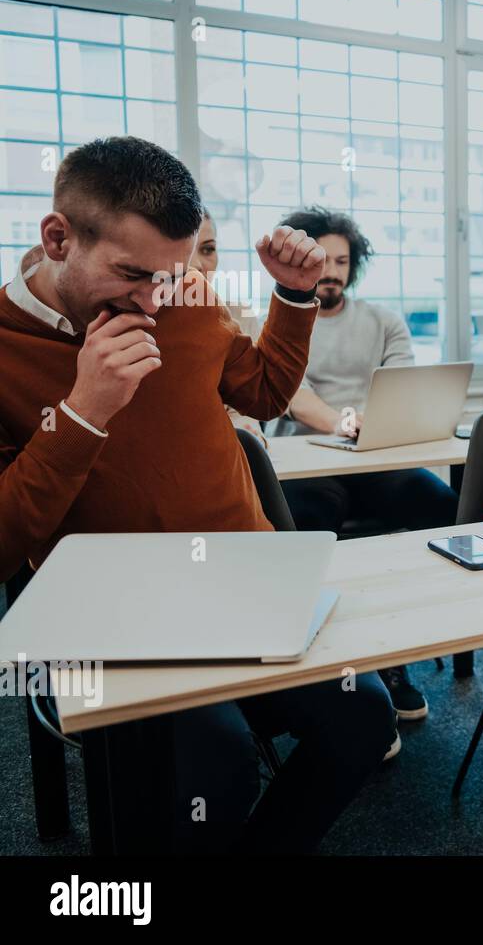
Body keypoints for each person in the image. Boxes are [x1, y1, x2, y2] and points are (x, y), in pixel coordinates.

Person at [0, 135, 395, 852]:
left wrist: (292, 294)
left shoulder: (182, 295)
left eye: (173, 275)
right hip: (109, 617)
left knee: (365, 713)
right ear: (58, 238)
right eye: (133, 274)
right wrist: (84, 411)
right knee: (216, 752)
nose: (158, 298)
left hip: (240, 582)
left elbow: (265, 388)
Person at [274, 205, 458, 722]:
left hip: (375, 459)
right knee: (306, 527)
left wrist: (371, 429)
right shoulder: (285, 320)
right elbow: (292, 392)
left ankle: (395, 652)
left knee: (445, 508)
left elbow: (403, 386)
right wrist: (343, 423)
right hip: (308, 461)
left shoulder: (384, 321)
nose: (332, 270)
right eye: (322, 258)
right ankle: (334, 675)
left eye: (342, 260)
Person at [189, 208, 268, 445]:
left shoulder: (239, 316)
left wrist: (247, 431)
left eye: (207, 249)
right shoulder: (136, 321)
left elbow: (247, 409)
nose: (197, 264)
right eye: (185, 249)